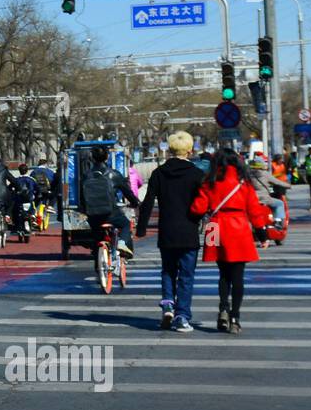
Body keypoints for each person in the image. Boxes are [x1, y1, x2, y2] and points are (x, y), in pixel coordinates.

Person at [190, 149, 270, 334]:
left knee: (223, 274)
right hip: (238, 226)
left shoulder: (209, 181)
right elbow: (254, 210)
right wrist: (262, 234)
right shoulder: (244, 182)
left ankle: (223, 308)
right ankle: (235, 317)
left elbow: (197, 208)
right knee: (238, 276)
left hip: (215, 226)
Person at [136, 131, 204, 332]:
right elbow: (204, 204)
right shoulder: (197, 174)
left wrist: (141, 228)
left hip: (167, 230)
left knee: (168, 269)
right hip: (189, 230)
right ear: (190, 150)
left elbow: (147, 202)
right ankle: (182, 315)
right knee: (186, 274)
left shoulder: (158, 173)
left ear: (169, 150)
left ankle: (167, 304)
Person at [80, 146, 139, 258]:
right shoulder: (114, 174)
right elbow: (128, 192)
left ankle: (98, 262)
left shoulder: (86, 176)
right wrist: (135, 203)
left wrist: (85, 211)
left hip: (93, 215)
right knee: (126, 224)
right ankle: (121, 243)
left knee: (97, 238)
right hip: (111, 213)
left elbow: (82, 197)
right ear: (107, 157)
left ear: (92, 158)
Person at [247, 156, 290, 227]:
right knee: (279, 203)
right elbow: (277, 182)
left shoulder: (248, 174)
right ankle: (278, 221)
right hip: (264, 199)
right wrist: (288, 185)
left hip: (252, 199)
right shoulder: (264, 174)